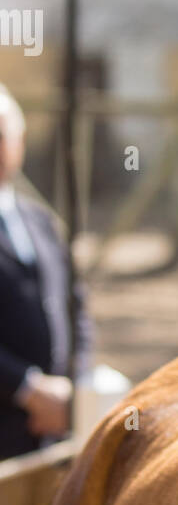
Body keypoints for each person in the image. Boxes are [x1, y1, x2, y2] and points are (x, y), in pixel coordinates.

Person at [0, 87, 90, 461]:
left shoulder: (39, 220)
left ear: (18, 143)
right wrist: (28, 389)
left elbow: (76, 306)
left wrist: (75, 384)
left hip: (55, 432)